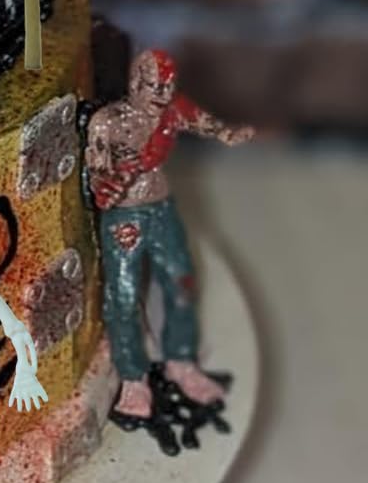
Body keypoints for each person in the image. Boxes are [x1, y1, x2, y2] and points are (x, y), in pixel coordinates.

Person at [84, 48, 254, 425]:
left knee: (182, 283)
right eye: (154, 85)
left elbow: (205, 123)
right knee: (123, 297)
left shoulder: (172, 111)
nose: (162, 94)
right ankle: (133, 378)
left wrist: (228, 134)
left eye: (168, 86)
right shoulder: (107, 123)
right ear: (135, 82)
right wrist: (116, 178)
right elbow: (97, 176)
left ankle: (181, 360)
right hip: (124, 217)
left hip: (161, 209)